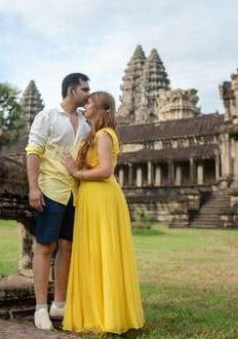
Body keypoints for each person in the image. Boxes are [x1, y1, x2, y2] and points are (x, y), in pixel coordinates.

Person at [62, 91, 145, 334]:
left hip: (102, 198)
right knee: (92, 252)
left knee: (103, 252)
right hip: (91, 198)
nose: (84, 105)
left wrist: (76, 173)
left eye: (89, 102)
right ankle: (95, 311)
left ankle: (108, 316)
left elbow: (106, 170)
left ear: (100, 108)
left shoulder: (104, 135)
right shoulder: (93, 135)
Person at [25, 73, 91, 330]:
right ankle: (40, 307)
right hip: (51, 188)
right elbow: (33, 152)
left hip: (76, 193)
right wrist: (33, 187)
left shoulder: (87, 122)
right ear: (72, 90)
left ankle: (59, 303)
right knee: (45, 247)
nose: (88, 94)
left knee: (68, 246)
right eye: (85, 89)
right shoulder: (48, 116)